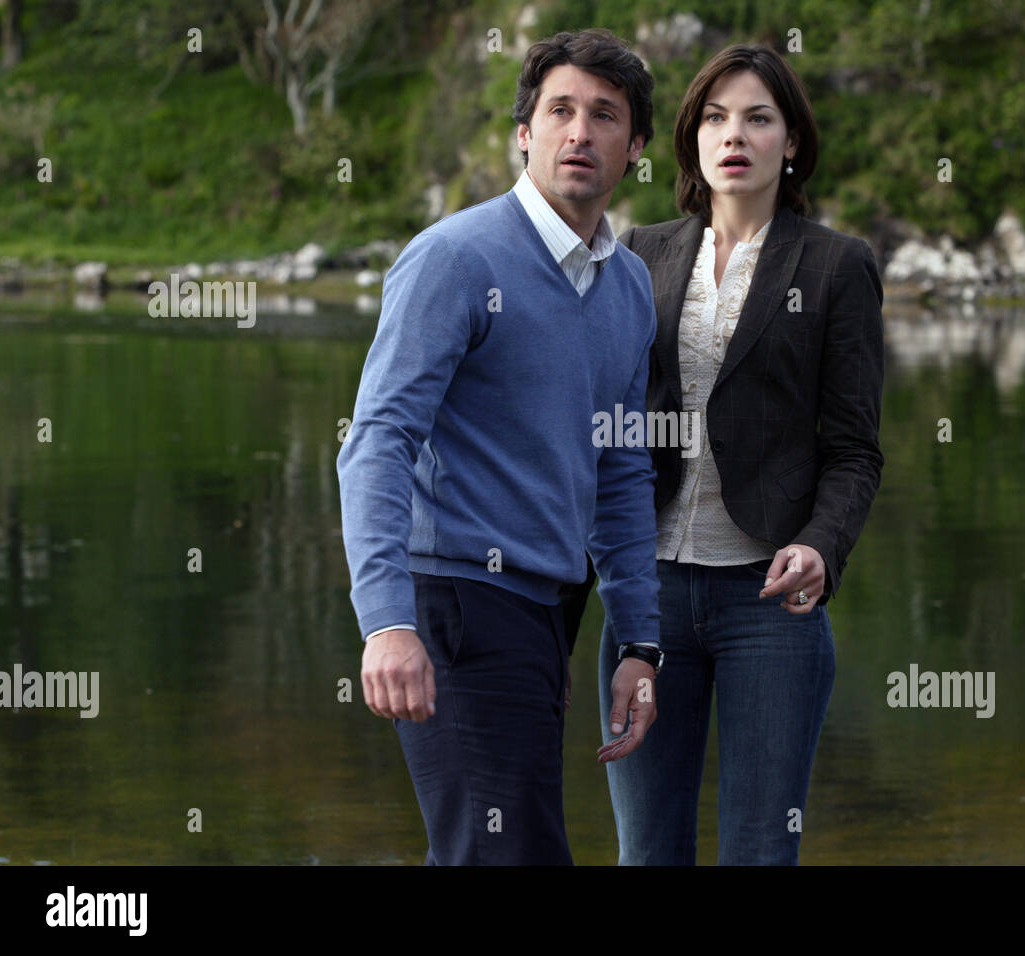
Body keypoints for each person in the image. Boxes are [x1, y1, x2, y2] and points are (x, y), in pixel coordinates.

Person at [337, 28, 665, 866]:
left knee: (496, 848)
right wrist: (385, 624)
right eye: (559, 111)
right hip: (451, 601)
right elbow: (377, 440)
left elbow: (622, 470)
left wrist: (637, 642)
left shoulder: (628, 285)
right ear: (524, 132)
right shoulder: (453, 258)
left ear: (635, 148)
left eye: (605, 116)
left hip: (544, 614)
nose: (579, 133)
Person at [561, 43, 886, 864]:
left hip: (770, 605)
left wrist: (821, 543)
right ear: (691, 139)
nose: (733, 134)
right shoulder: (638, 251)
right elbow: (603, 425)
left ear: (792, 143)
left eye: (758, 118)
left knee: (758, 853)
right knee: (646, 853)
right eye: (714, 117)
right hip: (648, 601)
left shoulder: (838, 266)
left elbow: (854, 450)